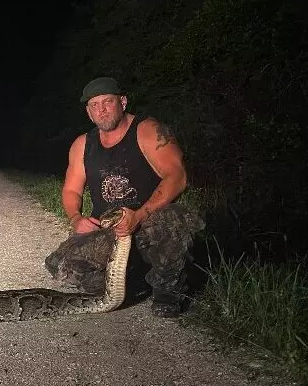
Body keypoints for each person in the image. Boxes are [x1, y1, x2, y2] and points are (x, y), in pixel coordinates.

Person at [46, 77, 204, 318]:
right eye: (94, 105)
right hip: (110, 231)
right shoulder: (82, 145)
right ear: (88, 112)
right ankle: (134, 282)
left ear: (122, 101)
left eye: (108, 101)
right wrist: (76, 218)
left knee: (174, 220)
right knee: (62, 265)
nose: (102, 109)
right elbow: (71, 191)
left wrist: (140, 215)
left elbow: (177, 176)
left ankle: (168, 292)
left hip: (147, 223)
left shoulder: (148, 130)